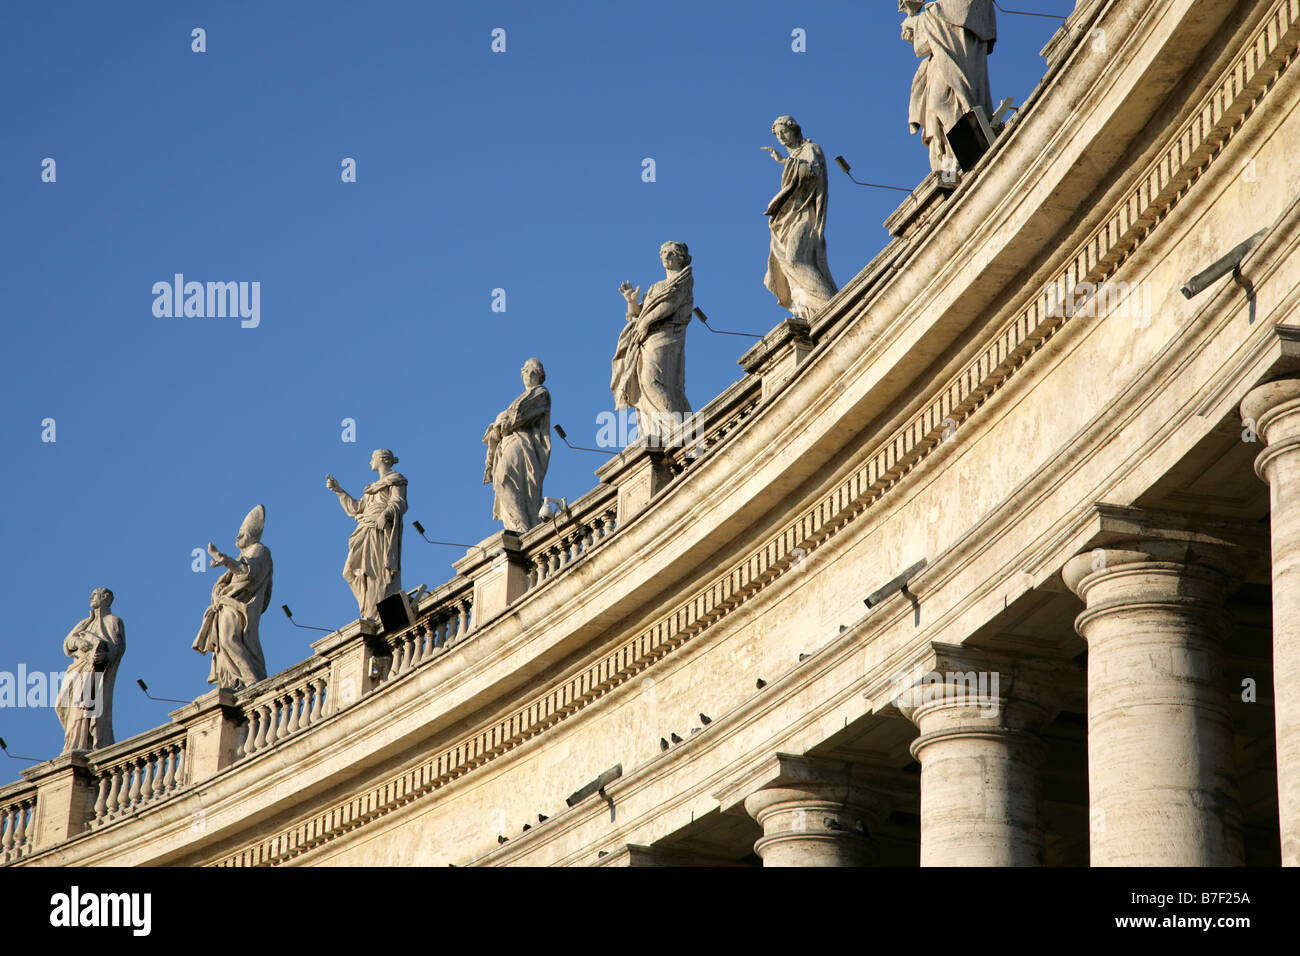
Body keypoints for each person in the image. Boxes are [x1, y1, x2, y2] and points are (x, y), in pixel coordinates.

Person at [901, 0, 997, 173]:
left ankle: (961, 154)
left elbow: (954, 14)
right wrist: (916, 22)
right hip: (940, 58)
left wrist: (916, 23)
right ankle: (949, 161)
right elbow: (929, 37)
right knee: (933, 111)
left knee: (941, 103)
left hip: (957, 58)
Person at [612, 241, 694, 442]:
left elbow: (670, 304)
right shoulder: (656, 286)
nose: (666, 257)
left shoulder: (683, 280)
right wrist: (631, 302)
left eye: (671, 254)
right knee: (642, 382)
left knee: (652, 380)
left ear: (681, 258)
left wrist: (646, 322)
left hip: (666, 336)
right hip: (646, 338)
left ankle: (679, 429)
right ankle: (657, 432)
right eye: (663, 253)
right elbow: (637, 315)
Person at [761, 116, 838, 320]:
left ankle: (829, 305)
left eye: (783, 132)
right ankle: (807, 307)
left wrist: (788, 162)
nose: (781, 137)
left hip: (806, 215)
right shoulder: (796, 155)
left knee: (795, 259)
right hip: (790, 216)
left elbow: (812, 173)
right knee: (788, 259)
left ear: (794, 129)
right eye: (778, 135)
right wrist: (786, 161)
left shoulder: (811, 149)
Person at [192, 505, 273, 690]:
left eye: (242, 533)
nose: (237, 537)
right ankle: (234, 681)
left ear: (252, 534)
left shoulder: (259, 550)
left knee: (229, 640)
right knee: (225, 642)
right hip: (227, 606)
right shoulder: (244, 554)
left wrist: (226, 560)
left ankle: (250, 680)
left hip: (238, 606)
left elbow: (248, 573)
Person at [327, 449, 407, 621]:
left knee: (376, 574)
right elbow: (356, 508)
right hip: (365, 530)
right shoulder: (371, 489)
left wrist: (385, 514)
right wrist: (339, 490)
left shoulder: (396, 480)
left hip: (379, 530)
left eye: (372, 458)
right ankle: (369, 607)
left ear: (382, 460)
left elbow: (400, 503)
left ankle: (375, 612)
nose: (370, 461)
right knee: (350, 572)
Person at [483, 358, 551, 533]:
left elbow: (517, 418)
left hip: (522, 444)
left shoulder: (541, 393)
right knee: (503, 482)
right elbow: (509, 419)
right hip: (508, 444)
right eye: (526, 371)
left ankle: (521, 527)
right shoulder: (520, 398)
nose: (529, 374)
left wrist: (502, 421)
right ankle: (518, 526)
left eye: (533, 372)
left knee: (503, 478)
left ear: (540, 376)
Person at [56, 587, 124, 754]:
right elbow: (67, 643)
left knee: (85, 706)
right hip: (77, 670)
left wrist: (106, 656)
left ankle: (81, 744)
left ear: (106, 598)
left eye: (95, 595)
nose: (90, 597)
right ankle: (73, 741)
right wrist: (78, 643)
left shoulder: (113, 621)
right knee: (63, 704)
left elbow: (118, 646)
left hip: (94, 670)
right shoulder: (85, 622)